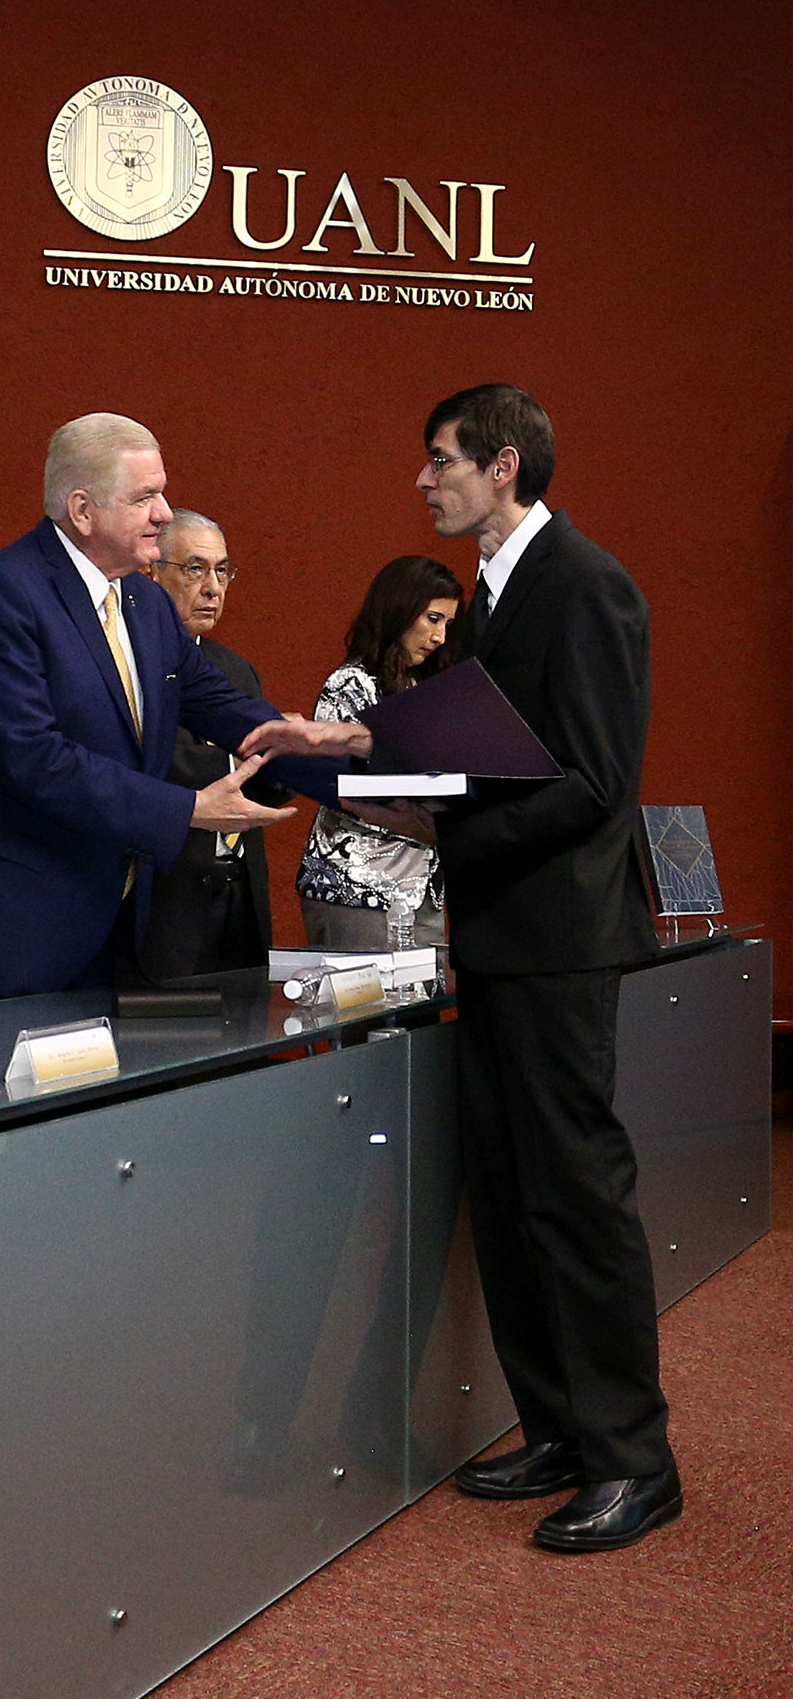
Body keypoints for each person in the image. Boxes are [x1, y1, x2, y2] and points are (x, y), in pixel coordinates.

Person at [244, 383, 678, 1553]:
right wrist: (340, 741)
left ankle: (636, 1460)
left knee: (575, 1199)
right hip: (495, 939)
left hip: (558, 946)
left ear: (502, 466)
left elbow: (593, 783)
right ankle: (561, 1431)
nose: (422, 481)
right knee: (513, 1194)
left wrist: (457, 836)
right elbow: (459, 735)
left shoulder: (586, 586)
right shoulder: (495, 591)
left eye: (439, 460)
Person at [0, 413, 369, 1007]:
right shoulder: (4, 590)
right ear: (83, 510)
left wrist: (366, 786)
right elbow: (32, 758)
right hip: (3, 933)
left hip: (110, 932)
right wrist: (190, 808)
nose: (166, 513)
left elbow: (227, 709)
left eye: (162, 493)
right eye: (145, 497)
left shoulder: (145, 603)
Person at [296, 555, 463, 950]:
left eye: (449, 625)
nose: (440, 637)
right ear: (399, 610)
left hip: (422, 888)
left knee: (422, 1009)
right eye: (433, 619)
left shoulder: (428, 687)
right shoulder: (350, 684)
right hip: (357, 887)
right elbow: (341, 784)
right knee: (368, 1010)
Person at [140, 509, 278, 981]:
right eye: (195, 568)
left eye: (223, 571)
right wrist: (235, 761)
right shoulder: (129, 666)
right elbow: (154, 768)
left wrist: (296, 753)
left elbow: (266, 783)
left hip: (239, 902)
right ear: (151, 573)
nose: (213, 587)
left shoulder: (235, 670)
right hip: (165, 904)